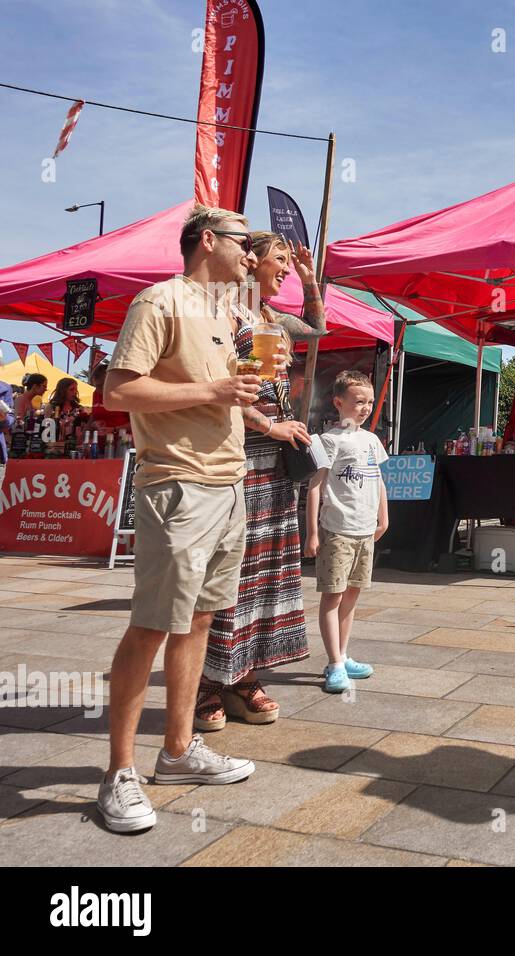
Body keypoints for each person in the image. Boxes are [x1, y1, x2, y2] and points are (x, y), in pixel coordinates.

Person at [96, 204, 263, 834]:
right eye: (244, 244)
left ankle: (177, 751)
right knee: (152, 625)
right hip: (178, 485)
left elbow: (218, 395)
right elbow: (117, 392)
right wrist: (216, 392)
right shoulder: (159, 301)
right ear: (210, 241)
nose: (251, 255)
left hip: (227, 482)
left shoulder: (223, 312)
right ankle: (119, 772)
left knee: (199, 619)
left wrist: (250, 404)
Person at [195, 231, 324, 730]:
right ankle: (208, 683)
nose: (286, 269)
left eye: (289, 263)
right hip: (240, 457)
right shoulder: (224, 312)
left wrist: (312, 281)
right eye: (280, 260)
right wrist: (270, 425)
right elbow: (220, 388)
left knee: (269, 573)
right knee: (233, 573)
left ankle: (244, 678)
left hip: (277, 464)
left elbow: (316, 327)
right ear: (251, 261)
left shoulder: (270, 317)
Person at [304, 371, 389, 693]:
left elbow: (378, 480)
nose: (365, 407)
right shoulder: (327, 440)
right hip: (338, 529)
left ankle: (342, 653)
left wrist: (384, 518)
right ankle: (334, 662)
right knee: (332, 595)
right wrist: (312, 532)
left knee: (352, 594)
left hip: (365, 529)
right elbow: (315, 487)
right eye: (358, 401)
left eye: (368, 401)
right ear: (339, 403)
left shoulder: (371, 440)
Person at [89, 361, 131, 431]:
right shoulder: (96, 393)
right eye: (95, 386)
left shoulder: (124, 394)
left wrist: (113, 429)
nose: (97, 389)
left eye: (100, 386)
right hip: (100, 440)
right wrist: (92, 425)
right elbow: (93, 417)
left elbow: (134, 424)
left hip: (122, 440)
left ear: (110, 382)